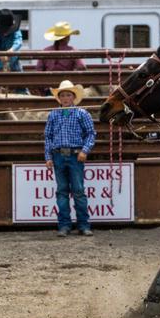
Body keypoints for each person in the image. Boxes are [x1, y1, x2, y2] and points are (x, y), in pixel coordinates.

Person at [44, 80, 96, 237]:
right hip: (58, 155)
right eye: (62, 95)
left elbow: (91, 133)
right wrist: (48, 157)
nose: (65, 98)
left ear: (73, 97)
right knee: (62, 191)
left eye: (68, 95)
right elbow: (48, 137)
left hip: (75, 155)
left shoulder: (82, 113)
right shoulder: (53, 114)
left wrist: (85, 151)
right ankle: (64, 225)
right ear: (59, 98)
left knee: (79, 190)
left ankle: (83, 225)